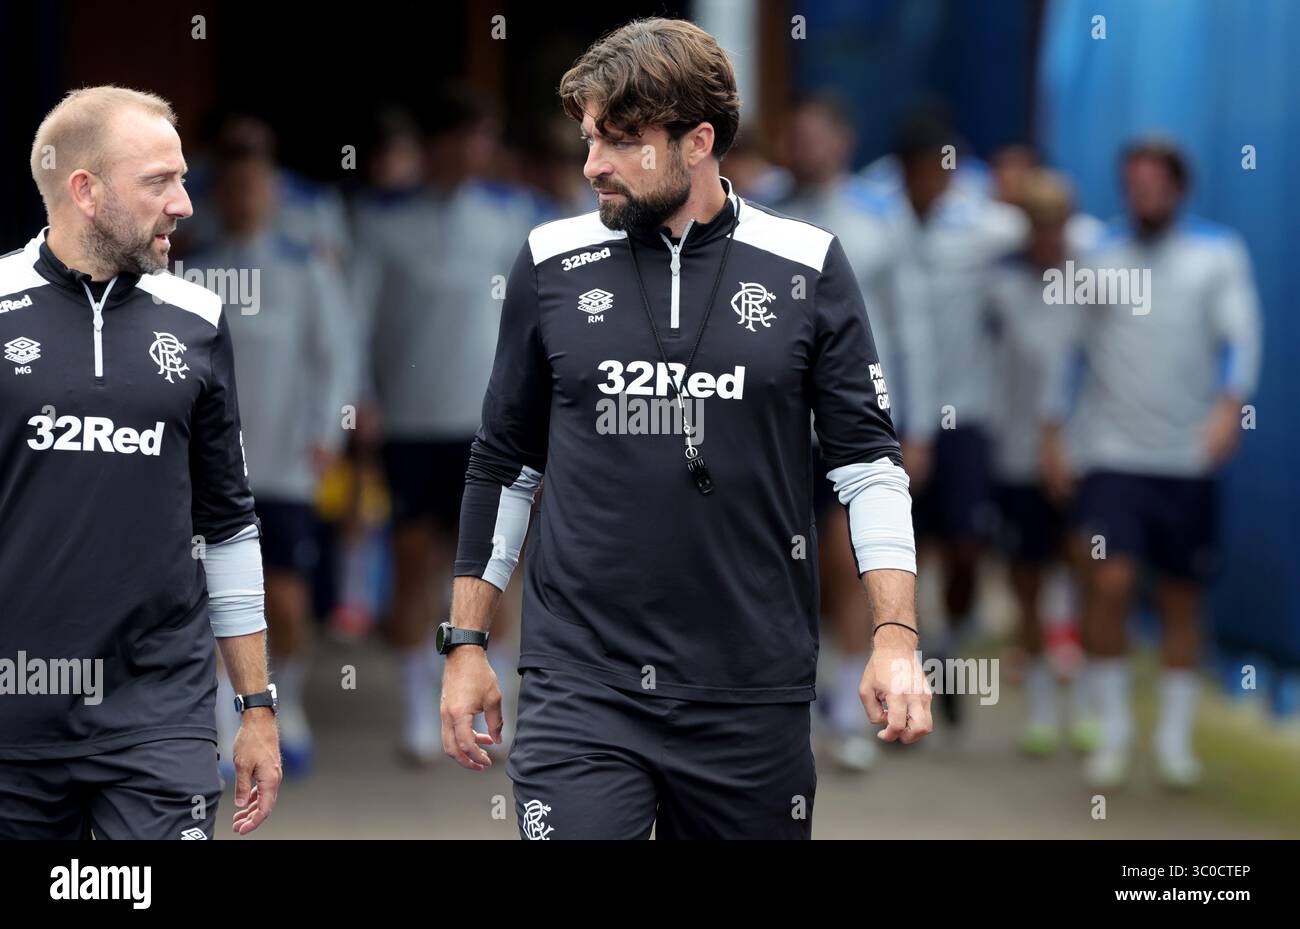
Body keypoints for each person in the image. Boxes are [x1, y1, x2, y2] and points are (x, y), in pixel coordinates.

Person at [441, 18, 930, 840]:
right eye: (589, 137)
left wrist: (895, 636)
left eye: (620, 140)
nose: (591, 163)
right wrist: (464, 643)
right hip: (581, 684)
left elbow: (869, 467)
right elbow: (505, 463)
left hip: (752, 691)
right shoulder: (550, 258)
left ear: (698, 139)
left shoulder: (808, 263)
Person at [0, 85, 281, 837]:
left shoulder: (199, 319)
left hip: (159, 716)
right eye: (159, 181)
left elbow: (227, 525)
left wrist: (255, 706)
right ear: (85, 191)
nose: (185, 204)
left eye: (183, 178)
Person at [1042, 138, 1262, 788]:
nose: (1144, 194)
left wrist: (1228, 410)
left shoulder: (1217, 256)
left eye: (1155, 183)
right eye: (1133, 183)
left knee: (1180, 599)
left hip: (1186, 458)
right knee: (1107, 583)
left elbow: (1242, 340)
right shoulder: (1096, 258)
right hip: (1112, 454)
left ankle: (1172, 741)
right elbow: (1066, 351)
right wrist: (1053, 433)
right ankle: (1111, 731)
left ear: (1179, 189)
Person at [350, 87, 538, 764]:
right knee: (411, 563)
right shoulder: (379, 221)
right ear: (431, 146)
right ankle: (415, 708)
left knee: (497, 567)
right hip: (408, 419)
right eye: (458, 137)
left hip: (491, 423)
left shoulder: (513, 215)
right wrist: (358, 397)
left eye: (480, 137)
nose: (470, 151)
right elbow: (354, 320)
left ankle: (495, 707)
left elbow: (535, 321)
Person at [188, 129, 356, 776]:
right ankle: (225, 716)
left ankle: (282, 701)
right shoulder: (192, 266)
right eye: (231, 185)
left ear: (274, 192)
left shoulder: (305, 263)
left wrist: (328, 432)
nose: (243, 196)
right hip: (210, 466)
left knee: (284, 598)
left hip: (285, 459)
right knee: (210, 598)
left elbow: (334, 356)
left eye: (255, 183)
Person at [777, 91, 936, 772]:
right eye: (796, 136)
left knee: (847, 562)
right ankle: (784, 705)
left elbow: (911, 327)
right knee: (782, 569)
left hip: (851, 422)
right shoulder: (761, 209)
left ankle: (848, 706)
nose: (804, 148)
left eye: (816, 136)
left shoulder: (882, 218)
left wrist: (920, 425)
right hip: (776, 424)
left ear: (844, 141)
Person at [986, 168, 1098, 756]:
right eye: (1039, 222)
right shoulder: (999, 280)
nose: (1050, 234)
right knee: (1027, 583)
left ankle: (1088, 707)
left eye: (1058, 222)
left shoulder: (1097, 274)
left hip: (1085, 454)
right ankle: (1044, 712)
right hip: (1016, 454)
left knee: (1083, 573)